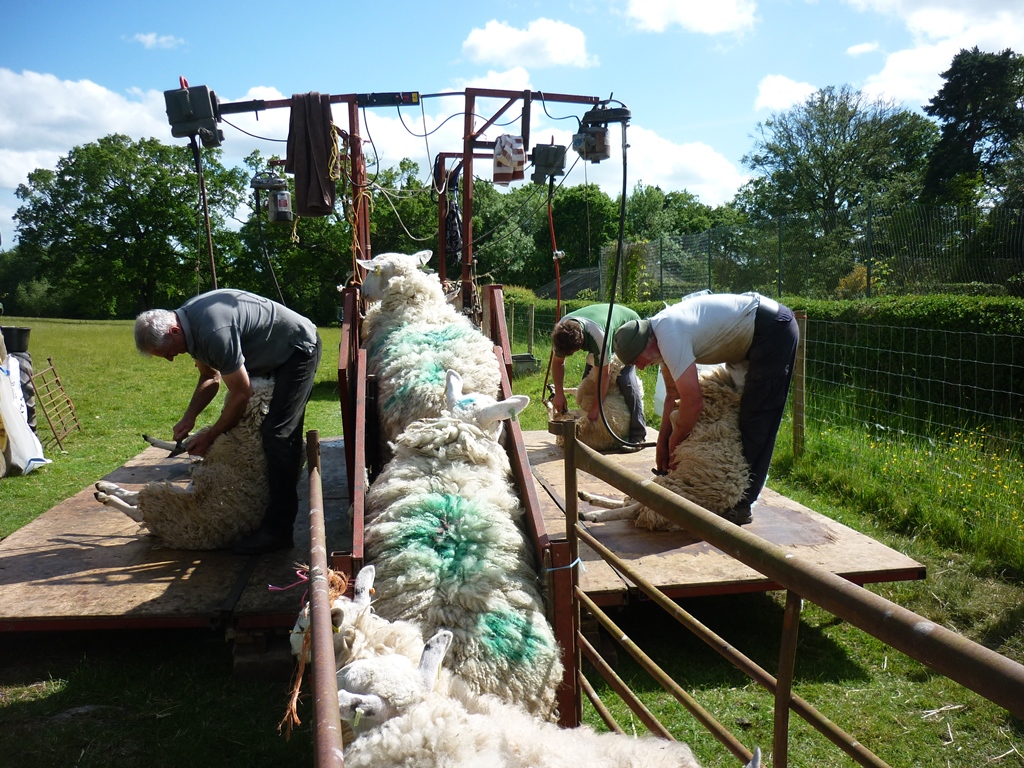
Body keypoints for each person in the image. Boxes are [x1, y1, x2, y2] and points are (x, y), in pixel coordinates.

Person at [134, 289, 322, 554]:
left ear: (175, 332)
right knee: (260, 434)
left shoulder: (211, 331)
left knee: (279, 435)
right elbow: (210, 378)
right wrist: (190, 417)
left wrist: (211, 435)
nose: (170, 358)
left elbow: (241, 392)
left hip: (297, 349)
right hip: (268, 352)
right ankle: (263, 505)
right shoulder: (190, 327)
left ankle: (278, 530)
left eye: (166, 352)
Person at [613, 292, 799, 524]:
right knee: (739, 417)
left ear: (646, 344)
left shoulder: (670, 336)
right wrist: (662, 443)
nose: (640, 368)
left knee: (756, 420)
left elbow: (693, 403)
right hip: (747, 340)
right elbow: (673, 395)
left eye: (638, 360)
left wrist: (675, 443)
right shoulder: (659, 336)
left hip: (772, 331)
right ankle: (727, 494)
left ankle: (740, 505)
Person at [550, 303, 646, 447]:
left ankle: (638, 435)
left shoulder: (598, 337)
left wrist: (596, 408)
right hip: (602, 326)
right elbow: (558, 363)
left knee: (625, 379)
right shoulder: (561, 333)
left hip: (630, 329)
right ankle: (588, 432)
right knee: (588, 382)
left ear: (582, 341)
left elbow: (604, 375)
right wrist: (559, 393)